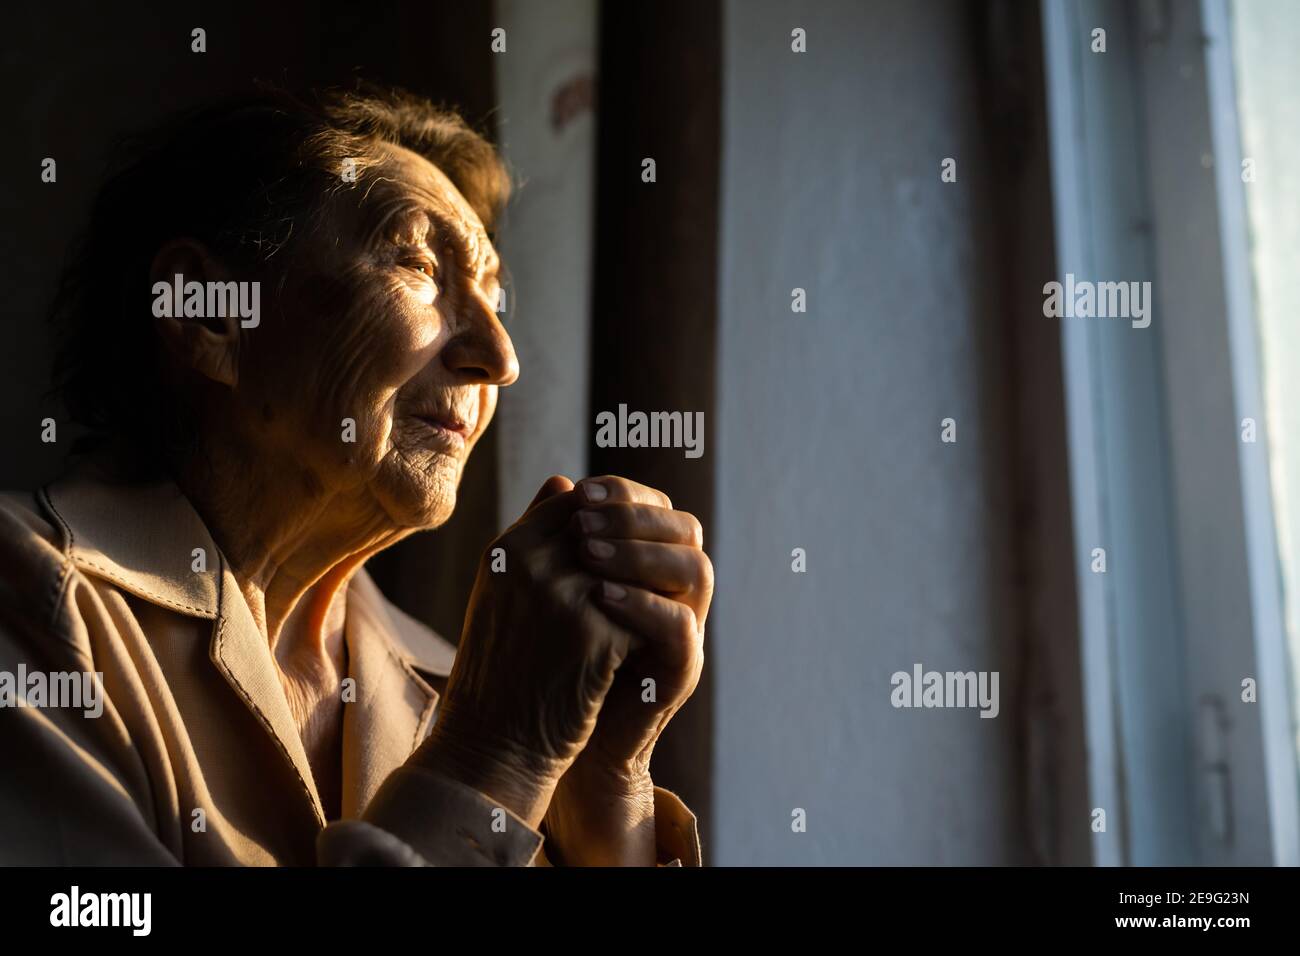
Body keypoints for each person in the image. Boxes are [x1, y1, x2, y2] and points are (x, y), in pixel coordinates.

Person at [0, 86, 711, 866]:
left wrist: (605, 783)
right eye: (417, 265)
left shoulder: (456, 683)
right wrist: (491, 761)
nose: (500, 360)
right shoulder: (31, 607)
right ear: (209, 314)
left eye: (495, 297)